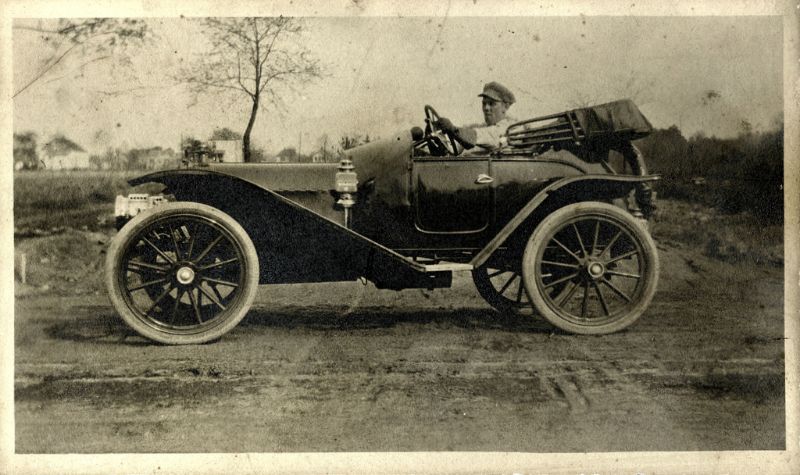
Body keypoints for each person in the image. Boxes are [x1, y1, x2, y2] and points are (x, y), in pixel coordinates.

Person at [435, 81, 516, 151]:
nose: (486, 108)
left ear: (505, 107)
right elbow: (456, 147)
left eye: (491, 104)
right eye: (484, 103)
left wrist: (453, 129)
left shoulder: (509, 128)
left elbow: (483, 135)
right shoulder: (482, 127)